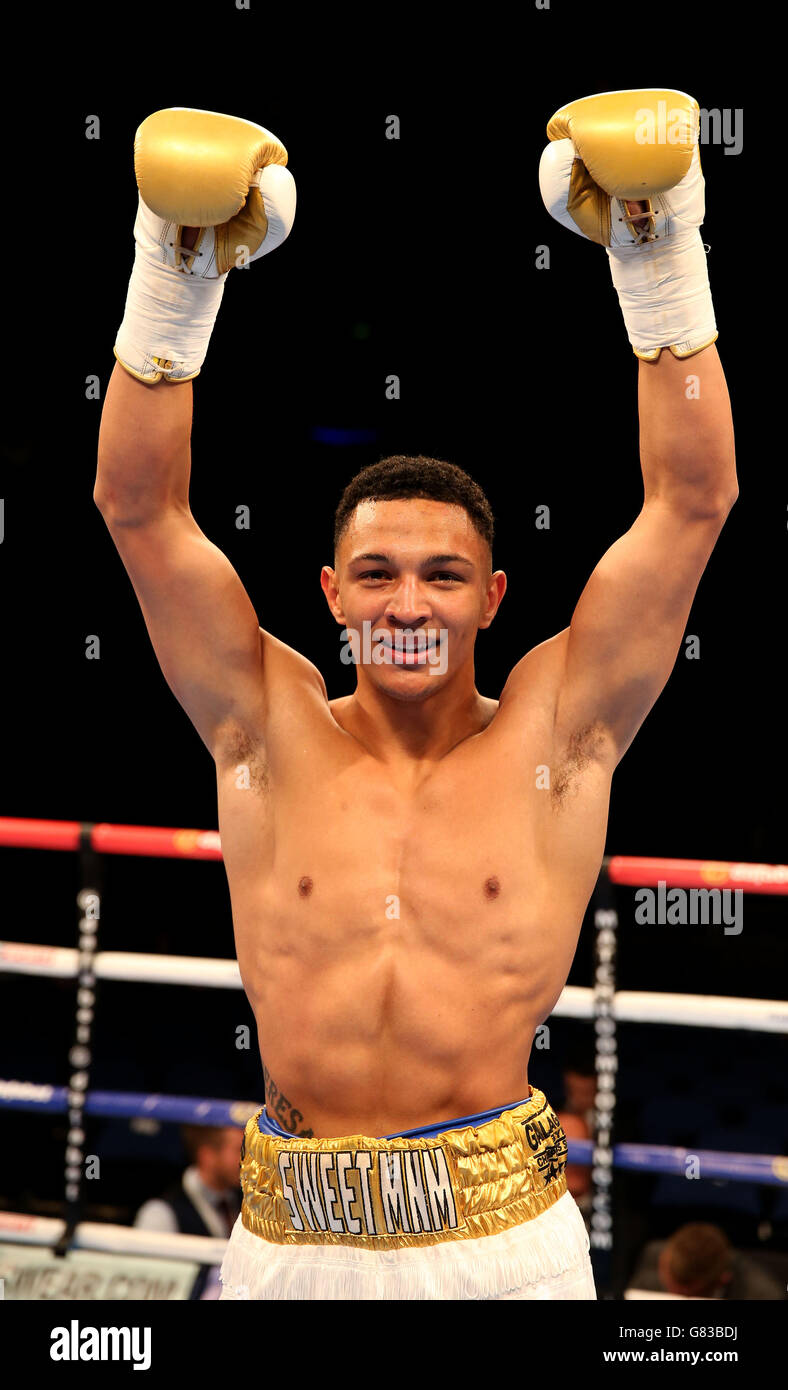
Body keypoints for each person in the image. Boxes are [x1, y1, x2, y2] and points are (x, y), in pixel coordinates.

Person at [95, 93, 737, 1300]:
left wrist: (657, 247)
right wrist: (171, 264)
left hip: (501, 1241)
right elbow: (140, 510)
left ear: (491, 596)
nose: (407, 603)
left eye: (442, 575)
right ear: (330, 594)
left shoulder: (562, 729)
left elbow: (690, 503)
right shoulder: (259, 725)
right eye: (376, 573)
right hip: (290, 1234)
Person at [134, 1124, 243, 1299]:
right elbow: (145, 1284)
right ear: (207, 1156)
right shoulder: (161, 1213)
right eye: (239, 1150)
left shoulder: (247, 1203)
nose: (249, 1159)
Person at [628, 1223, 785, 1300]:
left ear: (722, 1280)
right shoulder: (653, 1255)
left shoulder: (764, 1296)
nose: (677, 1296)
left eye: (684, 1293)